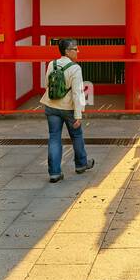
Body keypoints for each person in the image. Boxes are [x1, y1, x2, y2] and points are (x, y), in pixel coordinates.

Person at [39, 38, 94, 182]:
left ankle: (54, 173)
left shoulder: (52, 64)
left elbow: (47, 84)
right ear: (67, 52)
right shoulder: (75, 68)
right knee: (76, 135)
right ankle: (81, 164)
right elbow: (77, 93)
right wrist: (78, 115)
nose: (77, 51)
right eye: (75, 49)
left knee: (54, 138)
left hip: (51, 106)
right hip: (68, 108)